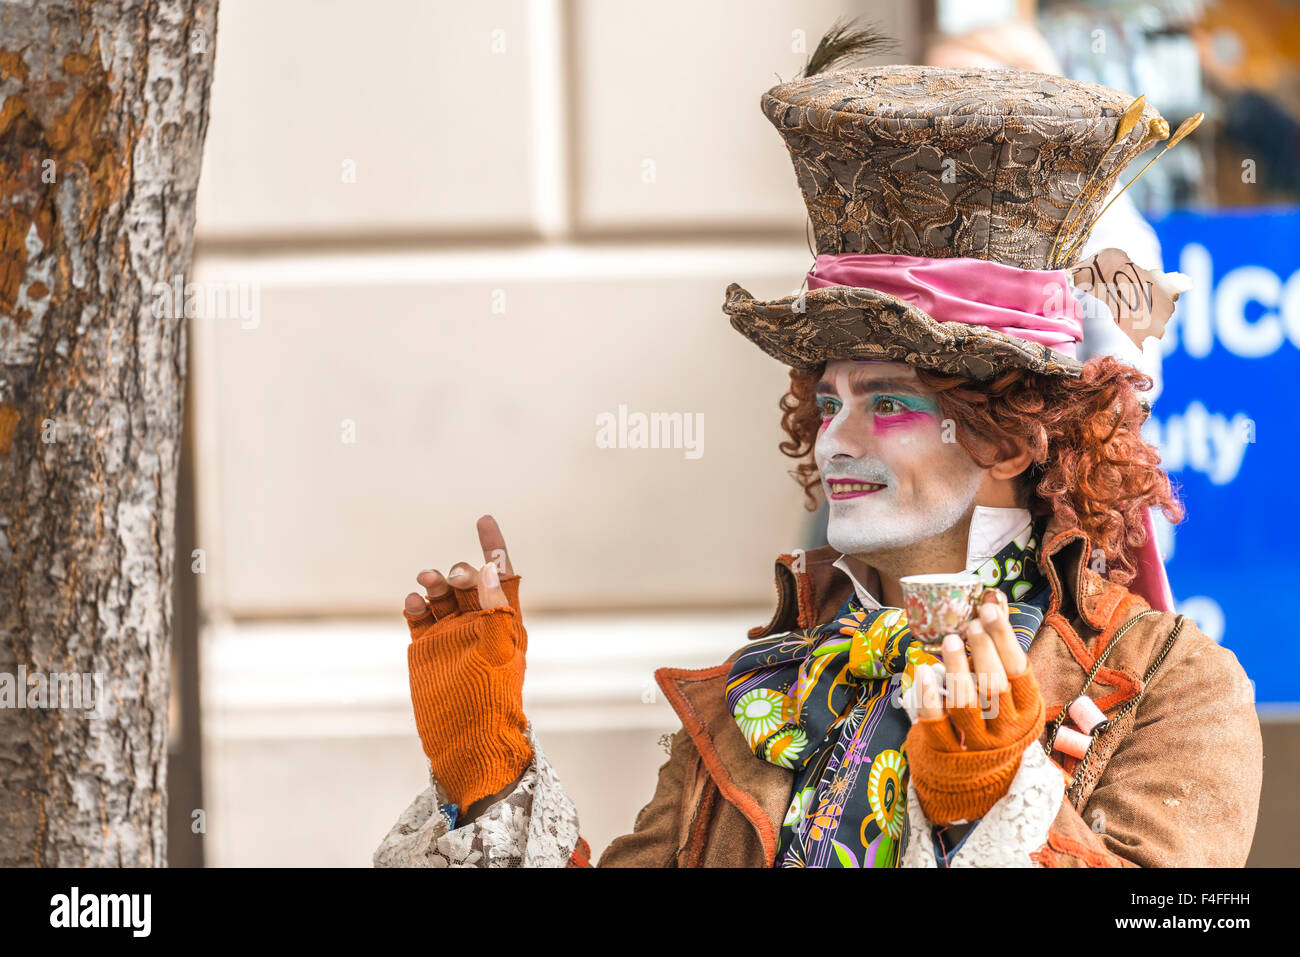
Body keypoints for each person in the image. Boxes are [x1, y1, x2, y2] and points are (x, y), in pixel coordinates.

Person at [374, 39, 1262, 868]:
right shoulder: (751, 694)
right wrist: (486, 777)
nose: (837, 434)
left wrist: (992, 809)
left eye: (889, 402)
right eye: (830, 400)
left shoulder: (1170, 686)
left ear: (1011, 433)